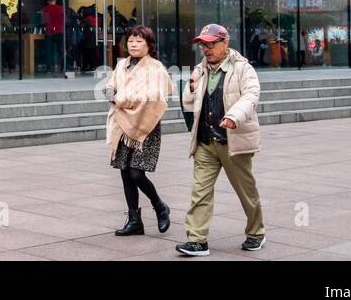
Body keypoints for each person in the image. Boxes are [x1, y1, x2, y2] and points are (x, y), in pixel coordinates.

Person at [177, 24, 265, 257]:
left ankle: (256, 232)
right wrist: (192, 87)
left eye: (211, 44)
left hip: (233, 142)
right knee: (200, 192)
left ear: (225, 43)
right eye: (203, 45)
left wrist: (234, 116)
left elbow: (251, 95)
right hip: (206, 141)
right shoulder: (200, 69)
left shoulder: (242, 68)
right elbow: (188, 102)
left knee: (246, 191)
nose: (206, 49)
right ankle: (197, 240)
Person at [105, 26, 173, 236]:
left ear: (149, 45)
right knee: (125, 173)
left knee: (136, 173)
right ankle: (134, 220)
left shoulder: (156, 68)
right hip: (122, 125)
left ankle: (160, 206)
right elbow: (109, 87)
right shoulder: (122, 65)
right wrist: (113, 94)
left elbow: (152, 97)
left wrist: (119, 98)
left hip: (146, 126)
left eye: (139, 41)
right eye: (131, 41)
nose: (133, 45)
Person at [41, 0, 66, 76]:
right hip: (60, 31)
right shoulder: (61, 8)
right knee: (61, 50)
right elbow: (64, 20)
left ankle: (49, 68)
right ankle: (62, 67)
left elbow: (44, 21)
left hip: (49, 31)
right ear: (55, 1)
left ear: (48, 2)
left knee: (49, 51)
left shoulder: (45, 9)